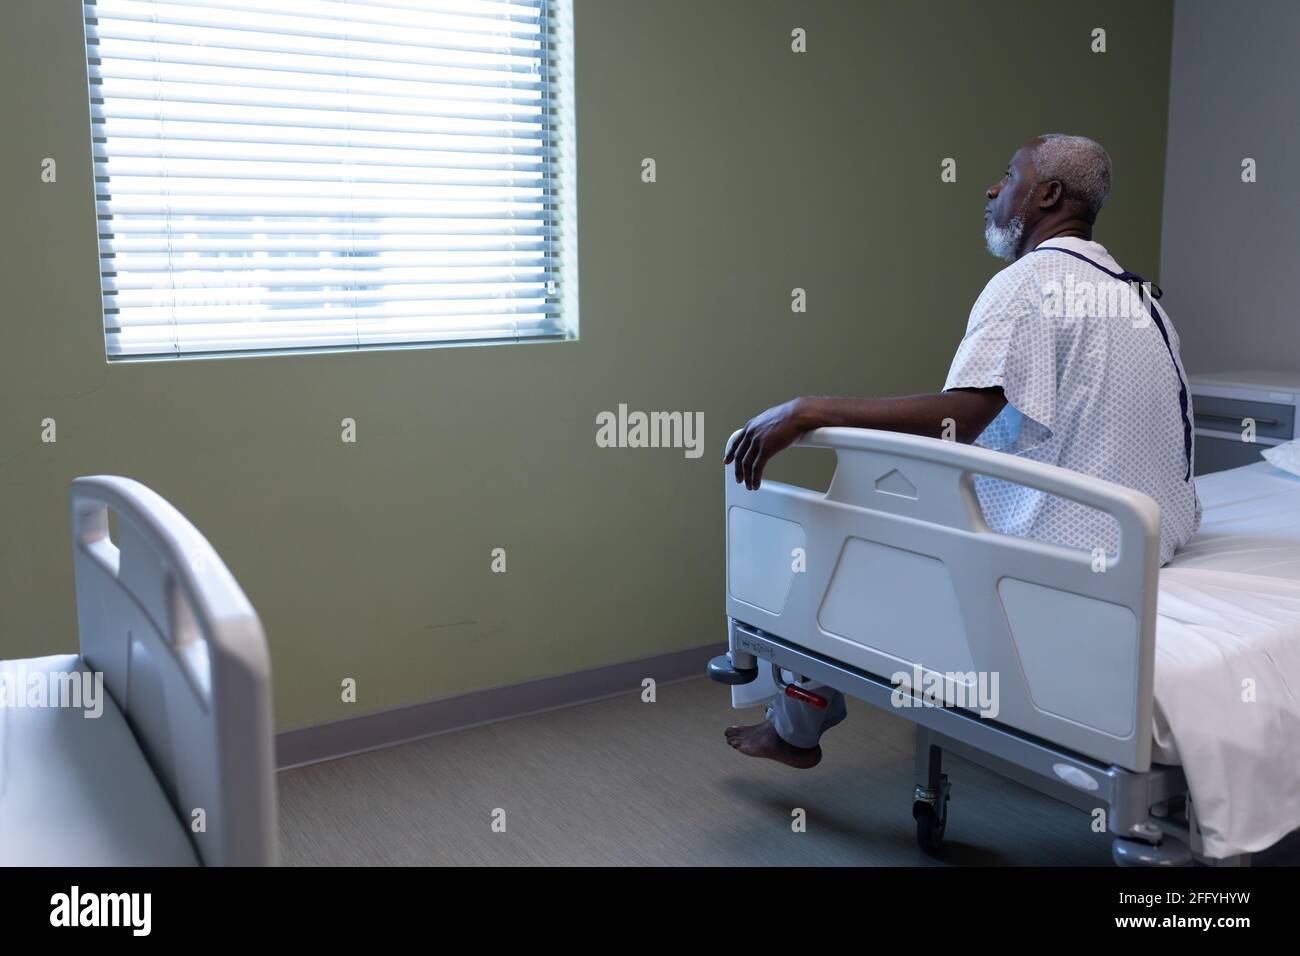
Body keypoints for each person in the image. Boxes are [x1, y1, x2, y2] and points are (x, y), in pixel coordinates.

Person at [723, 134, 1201, 769]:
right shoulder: (1138, 296)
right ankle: (800, 704)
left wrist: (811, 410)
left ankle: (796, 716)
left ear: (1049, 195)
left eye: (1009, 175)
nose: (992, 188)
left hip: (1055, 550)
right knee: (893, 513)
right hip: (1144, 541)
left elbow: (960, 418)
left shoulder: (1029, 280)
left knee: (841, 537)